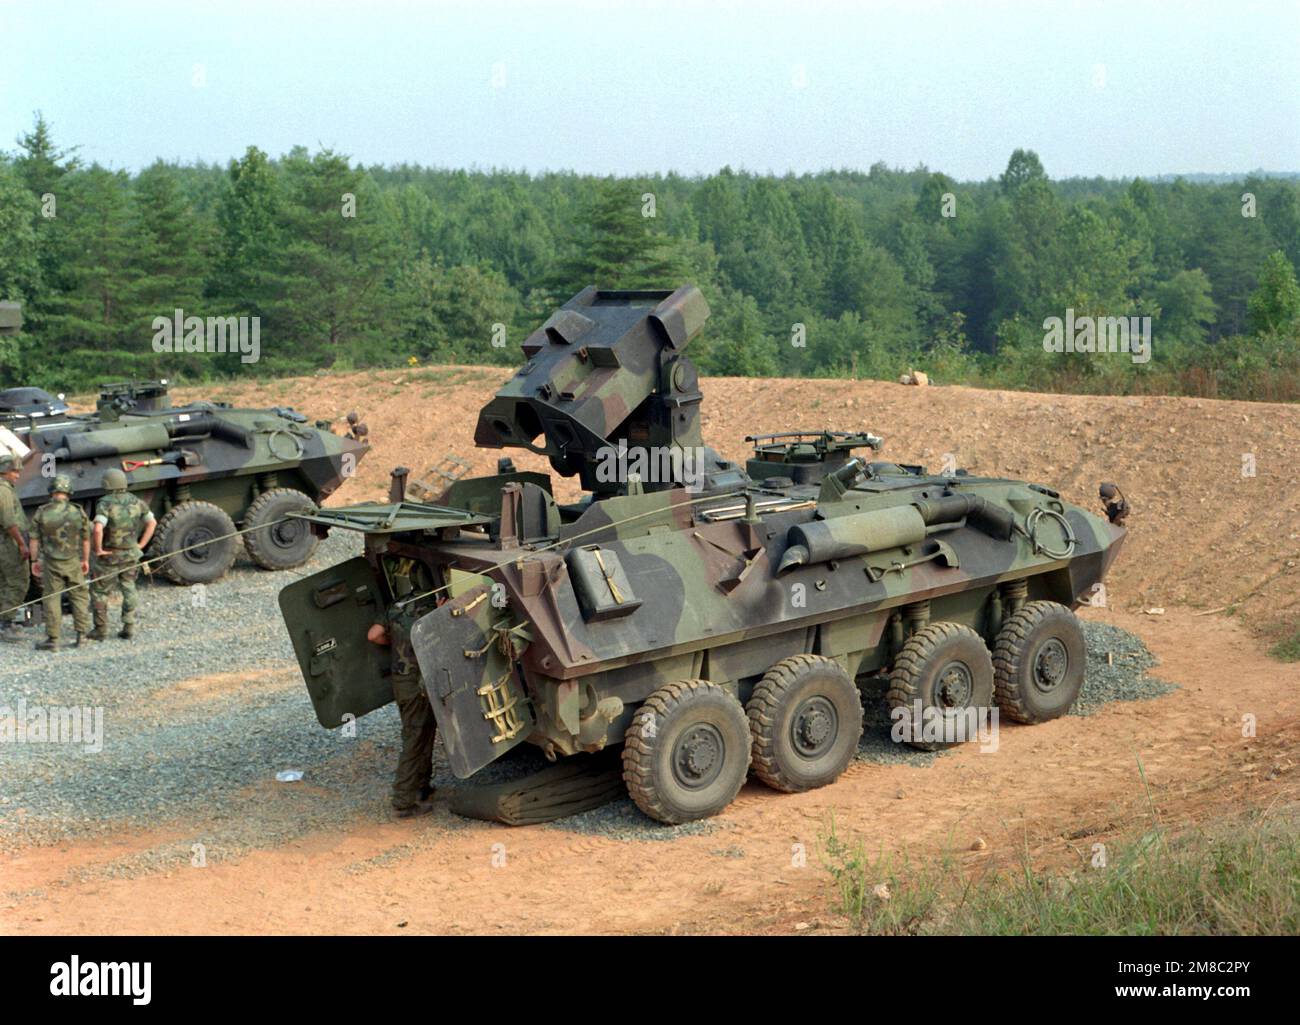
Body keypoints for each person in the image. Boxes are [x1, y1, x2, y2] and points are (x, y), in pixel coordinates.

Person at [368, 567, 438, 818]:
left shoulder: (398, 606)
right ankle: (403, 800)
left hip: (402, 681)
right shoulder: (435, 609)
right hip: (421, 683)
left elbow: (373, 634)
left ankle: (422, 786)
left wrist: (396, 642)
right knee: (415, 738)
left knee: (422, 732)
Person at [89, 468, 156, 641]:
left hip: (110, 556)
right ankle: (129, 625)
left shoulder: (105, 503)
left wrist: (98, 550)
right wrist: (140, 544)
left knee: (99, 591)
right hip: (131, 554)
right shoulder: (137, 501)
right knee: (129, 586)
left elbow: (97, 529)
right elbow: (152, 522)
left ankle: (101, 629)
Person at [30, 474, 93, 650]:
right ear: (69, 492)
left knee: (51, 598)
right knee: (79, 596)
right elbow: (86, 540)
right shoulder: (78, 511)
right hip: (72, 560)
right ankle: (81, 636)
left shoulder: (42, 512)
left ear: (52, 491)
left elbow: (34, 540)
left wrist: (34, 560)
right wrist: (85, 559)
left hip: (51, 562)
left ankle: (54, 639)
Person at [0, 453, 30, 642]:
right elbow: (9, 521)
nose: (17, 476)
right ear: (4, 471)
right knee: (17, 582)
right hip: (8, 543)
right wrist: (21, 543)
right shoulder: (3, 490)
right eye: (14, 471)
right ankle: (6, 624)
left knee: (4, 582)